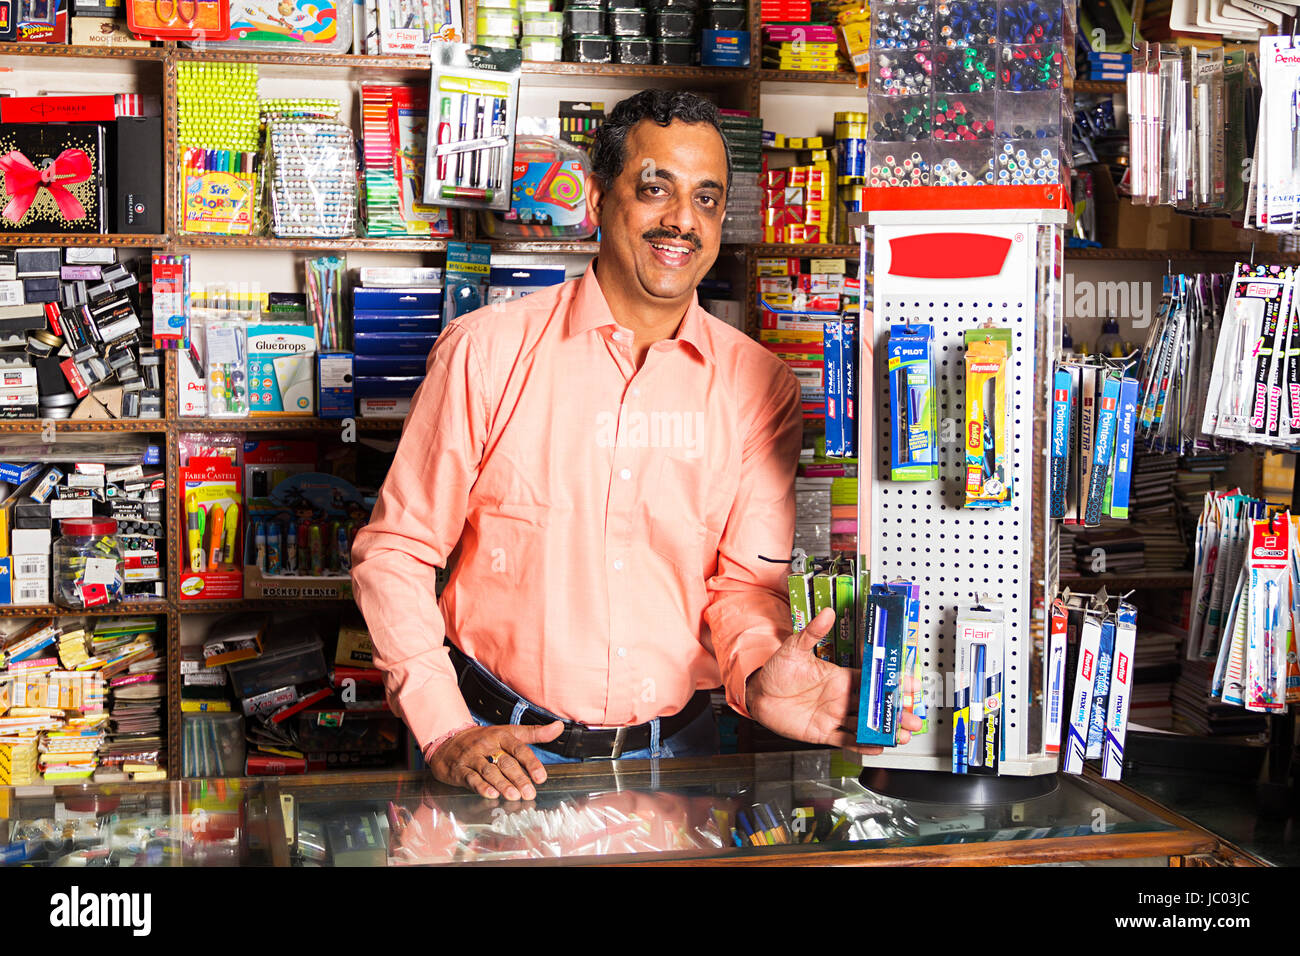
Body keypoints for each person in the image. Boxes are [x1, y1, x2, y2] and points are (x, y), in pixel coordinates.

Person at [351, 89, 921, 802]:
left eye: (707, 200)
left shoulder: (760, 386)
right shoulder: (486, 353)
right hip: (497, 751)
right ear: (597, 199)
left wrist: (757, 675)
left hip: (677, 763)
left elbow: (743, 588)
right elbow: (397, 550)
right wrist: (443, 725)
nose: (683, 220)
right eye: (656, 189)